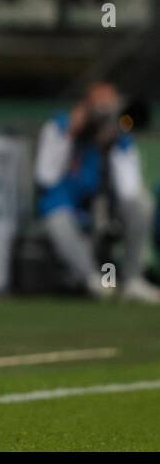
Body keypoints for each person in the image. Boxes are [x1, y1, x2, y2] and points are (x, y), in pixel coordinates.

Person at [34, 82, 160, 303]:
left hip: (103, 202)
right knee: (57, 218)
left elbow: (129, 190)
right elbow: (46, 176)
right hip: (67, 201)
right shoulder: (58, 128)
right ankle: (93, 280)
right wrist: (71, 133)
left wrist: (111, 144)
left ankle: (132, 280)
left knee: (142, 204)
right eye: (100, 107)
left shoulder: (118, 138)